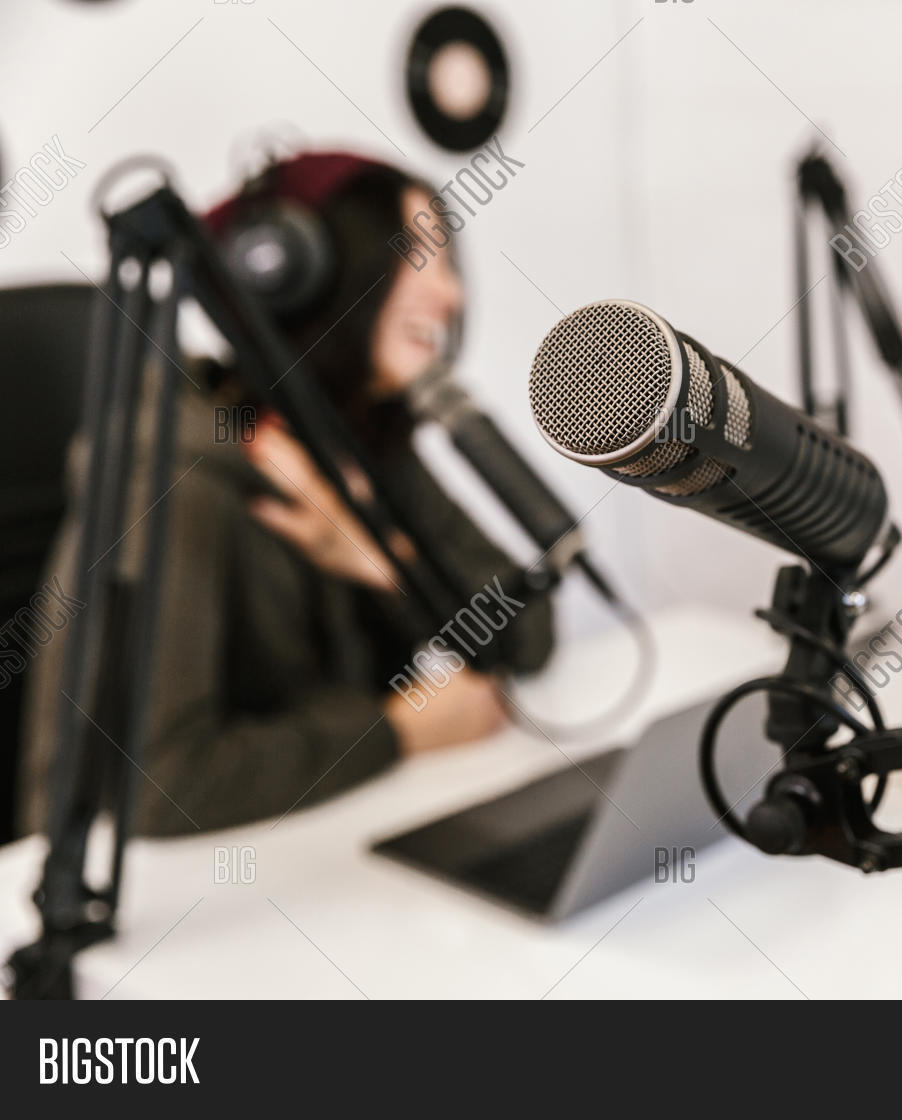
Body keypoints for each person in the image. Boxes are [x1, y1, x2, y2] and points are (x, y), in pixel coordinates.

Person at [20, 152, 555, 836]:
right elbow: (158, 788)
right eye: (418, 258)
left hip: (327, 845)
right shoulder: (176, 478)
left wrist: (382, 561)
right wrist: (396, 730)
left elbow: (528, 639)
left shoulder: (368, 446)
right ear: (305, 279)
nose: (449, 297)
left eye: (448, 264)